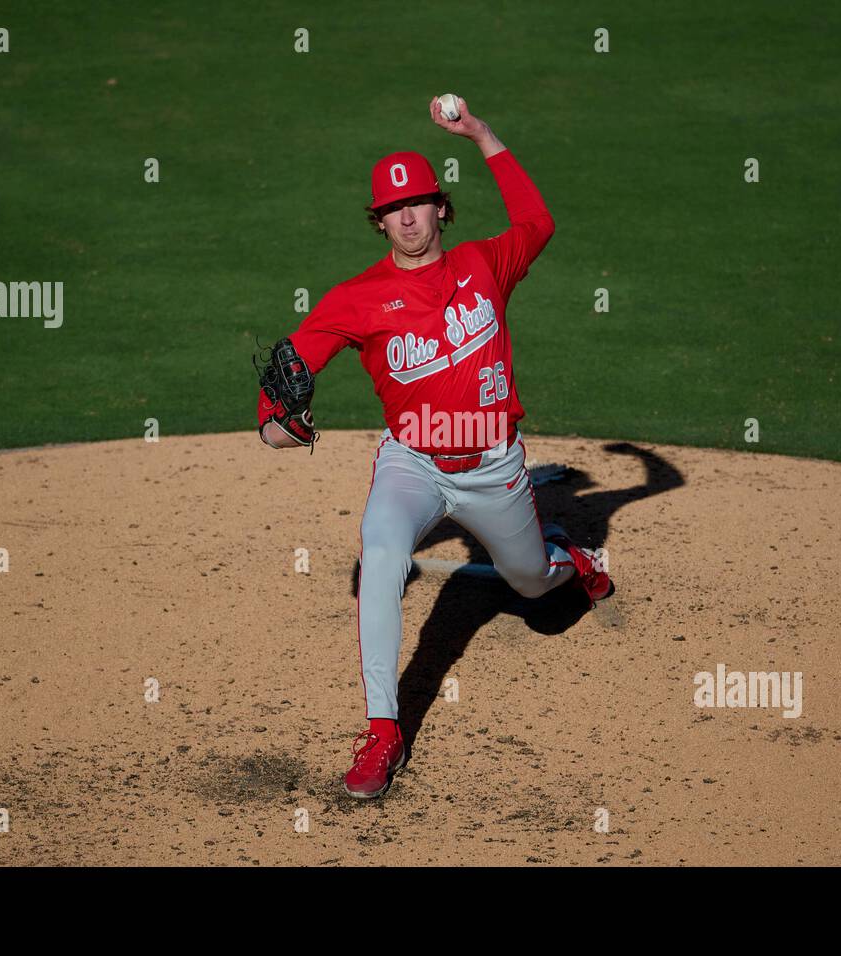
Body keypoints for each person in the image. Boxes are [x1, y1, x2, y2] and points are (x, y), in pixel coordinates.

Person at [257, 96, 613, 799]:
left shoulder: (489, 264)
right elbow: (287, 372)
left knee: (532, 586)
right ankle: (383, 730)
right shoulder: (357, 298)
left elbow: (538, 223)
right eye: (395, 208)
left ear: (441, 209)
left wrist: (481, 133)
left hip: (495, 468)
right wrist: (273, 424)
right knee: (383, 551)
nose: (408, 217)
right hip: (412, 464)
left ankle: (566, 556)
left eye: (420, 202)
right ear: (380, 219)